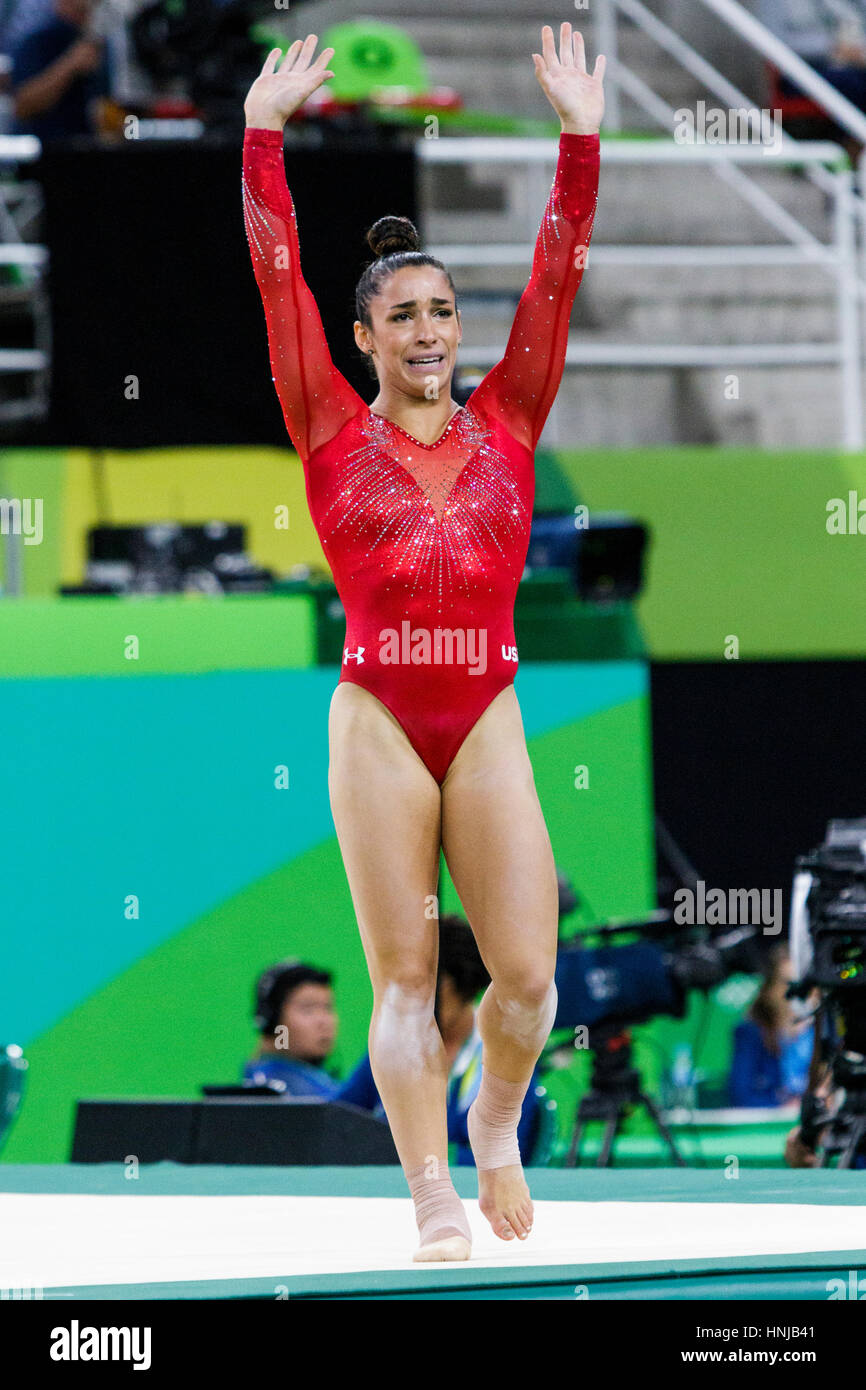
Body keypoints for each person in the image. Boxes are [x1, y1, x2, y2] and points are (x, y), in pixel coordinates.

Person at [242, 23, 603, 1262]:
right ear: (364, 339)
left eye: (444, 312)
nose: (430, 331)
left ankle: (493, 1117)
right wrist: (261, 136)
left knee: (529, 982)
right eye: (403, 316)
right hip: (380, 714)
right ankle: (431, 1196)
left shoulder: (509, 415)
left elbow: (556, 278)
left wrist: (578, 140)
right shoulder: (326, 430)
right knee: (403, 981)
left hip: (486, 706)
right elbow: (276, 271)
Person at [337, 914, 542, 1166]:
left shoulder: (504, 1048)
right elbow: (335, 1121)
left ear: (464, 982)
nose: (418, 998)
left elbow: (500, 1152)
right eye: (409, 986)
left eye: (430, 985)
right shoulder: (393, 1044)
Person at [728, 944, 817, 1107]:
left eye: (805, 985)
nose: (797, 994)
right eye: (788, 985)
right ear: (769, 990)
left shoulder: (823, 1031)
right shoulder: (750, 1033)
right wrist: (785, 1108)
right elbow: (742, 1095)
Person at [9, 0, 110, 142]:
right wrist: (71, 64)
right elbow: (22, 106)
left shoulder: (103, 41)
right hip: (45, 148)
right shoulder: (38, 39)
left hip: (90, 146)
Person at [242, 960, 341, 1099]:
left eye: (328, 1008)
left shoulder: (316, 1081)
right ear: (272, 1023)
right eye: (308, 1009)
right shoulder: (275, 1088)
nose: (324, 1021)